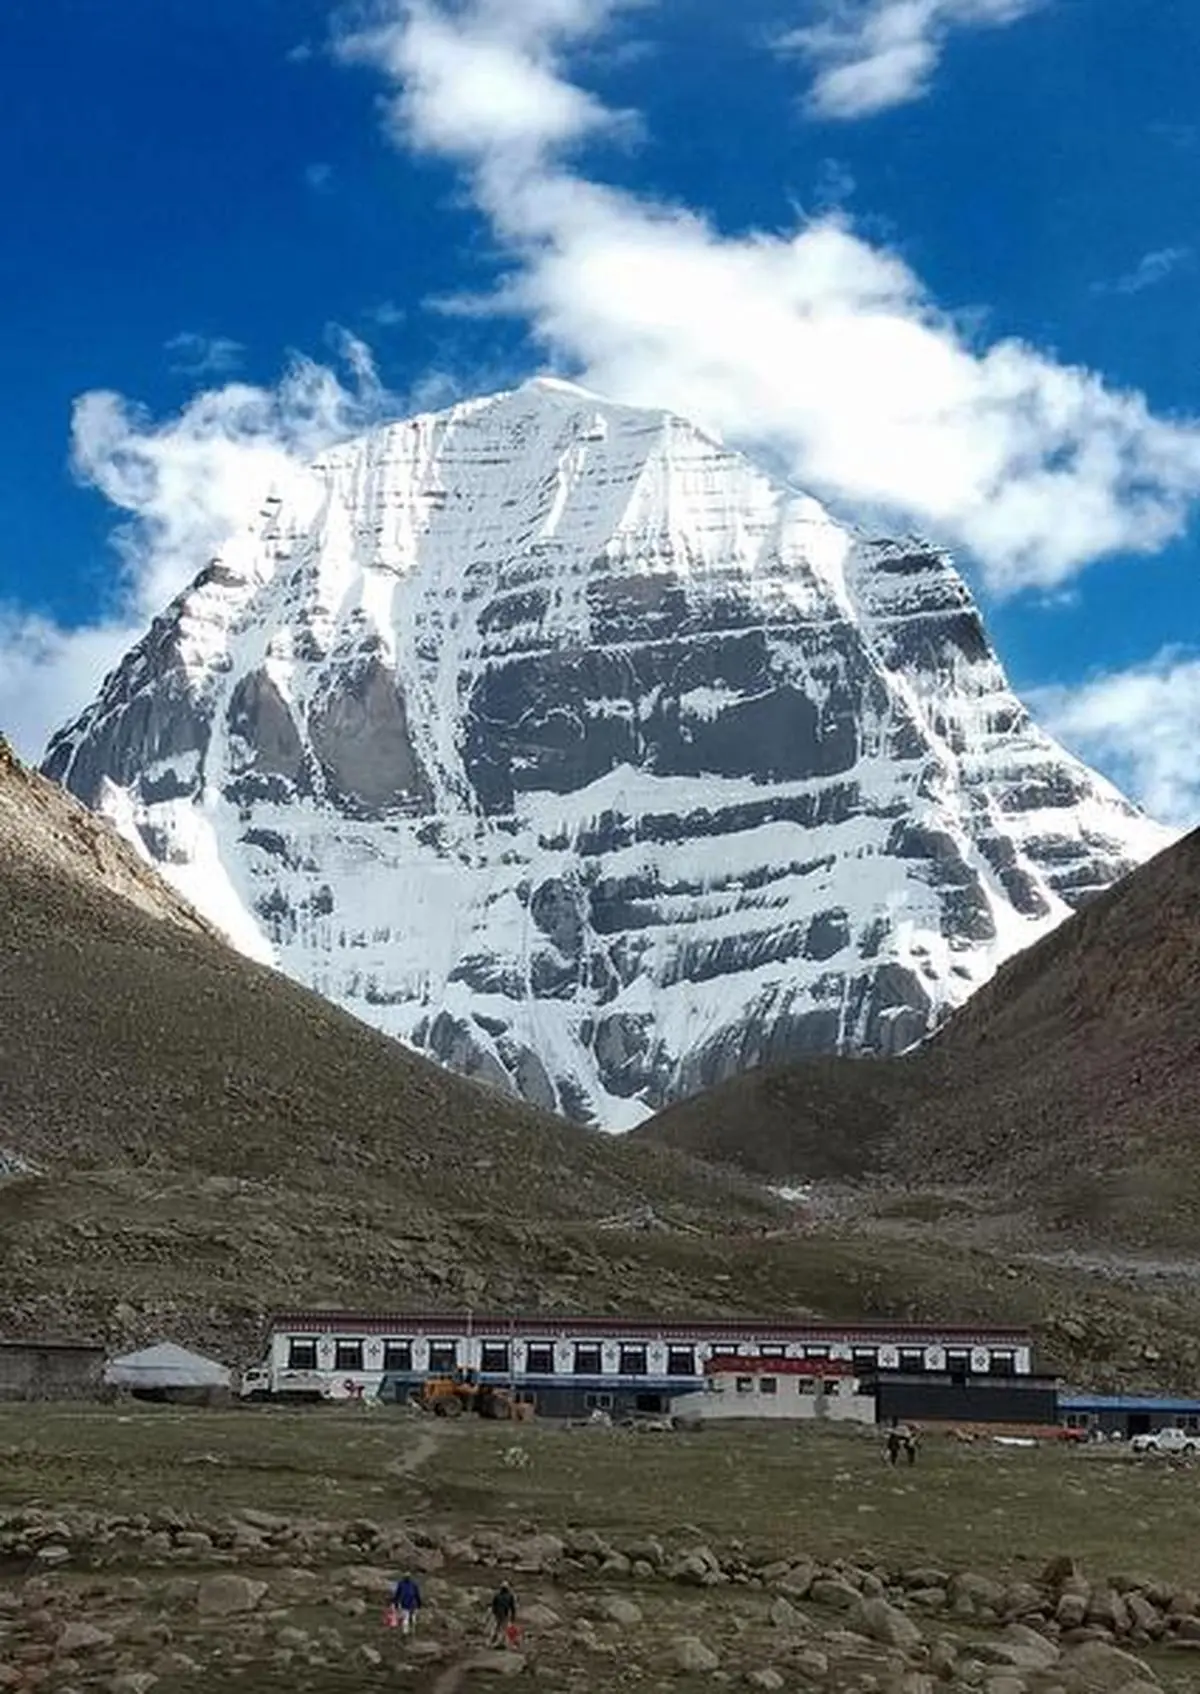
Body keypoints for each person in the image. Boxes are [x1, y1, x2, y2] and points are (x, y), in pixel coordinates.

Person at [490, 1581, 517, 1646]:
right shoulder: (510, 1596)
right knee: (503, 1627)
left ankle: (494, 1640)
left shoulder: (497, 1595)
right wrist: (513, 1616)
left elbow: (493, 1605)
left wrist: (494, 1612)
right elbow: (512, 1607)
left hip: (498, 1613)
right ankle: (501, 1642)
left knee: (497, 1627)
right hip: (504, 1613)